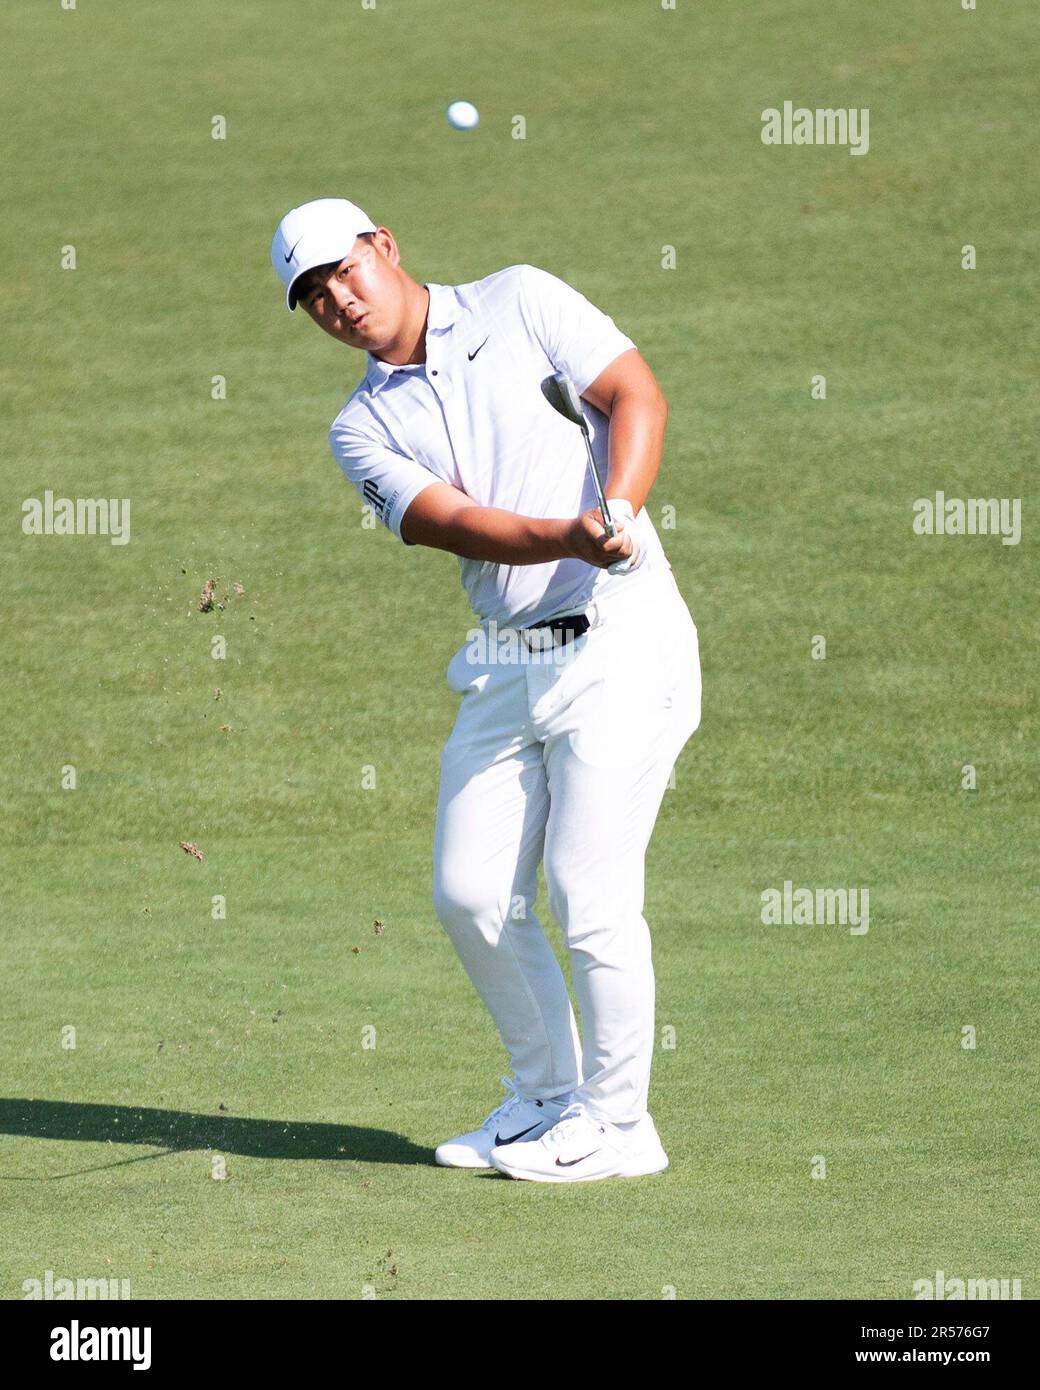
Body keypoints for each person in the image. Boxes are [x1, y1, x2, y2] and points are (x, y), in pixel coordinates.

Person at [270, 197, 701, 1183]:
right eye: (312, 298)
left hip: (620, 642)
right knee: (468, 890)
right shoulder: (360, 427)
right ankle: (547, 1098)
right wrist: (564, 532)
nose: (337, 301)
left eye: (343, 271)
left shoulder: (520, 300)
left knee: (586, 892)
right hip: (509, 658)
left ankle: (622, 1124)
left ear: (383, 246)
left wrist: (619, 506)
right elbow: (450, 521)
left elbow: (634, 393)